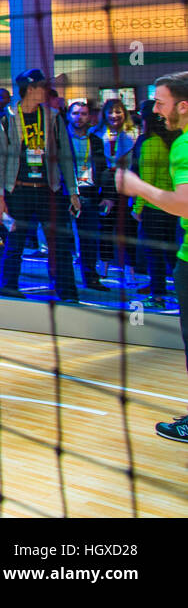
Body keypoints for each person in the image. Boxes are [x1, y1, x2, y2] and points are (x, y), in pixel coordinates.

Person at [114, 73, 188, 442]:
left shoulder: (183, 145)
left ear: (183, 106)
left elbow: (184, 204)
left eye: (161, 102)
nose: (155, 109)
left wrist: (137, 188)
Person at [0, 69, 80, 301]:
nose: (45, 91)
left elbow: (65, 156)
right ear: (30, 89)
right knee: (15, 242)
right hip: (18, 190)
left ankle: (67, 291)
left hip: (49, 190)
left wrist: (73, 192)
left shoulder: (53, 117)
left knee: (59, 243)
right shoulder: (6, 118)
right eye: (41, 87)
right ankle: (9, 287)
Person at [61, 100, 114, 297]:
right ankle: (64, 281)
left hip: (89, 193)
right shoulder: (60, 138)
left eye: (83, 113)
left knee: (90, 240)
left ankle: (91, 278)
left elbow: (104, 169)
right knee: (62, 239)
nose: (79, 117)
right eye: (75, 113)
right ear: (69, 115)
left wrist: (108, 195)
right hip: (64, 194)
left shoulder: (96, 140)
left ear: (89, 117)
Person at [133, 99, 180, 303]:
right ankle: (180, 291)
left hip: (153, 208)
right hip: (172, 206)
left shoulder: (151, 144)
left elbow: (146, 181)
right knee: (171, 252)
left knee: (154, 253)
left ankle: (158, 295)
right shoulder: (175, 141)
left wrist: (137, 208)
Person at [95, 98, 137, 283]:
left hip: (127, 189)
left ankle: (130, 270)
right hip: (104, 189)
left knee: (128, 230)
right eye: (110, 112)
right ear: (104, 114)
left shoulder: (133, 134)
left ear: (124, 113)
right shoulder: (95, 133)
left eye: (118, 111)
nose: (114, 115)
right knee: (105, 229)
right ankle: (103, 267)